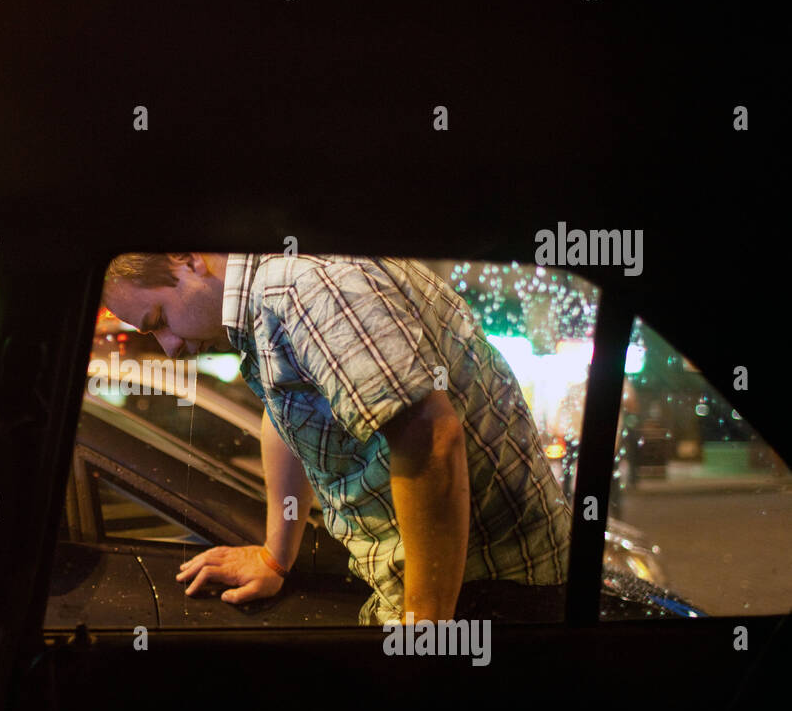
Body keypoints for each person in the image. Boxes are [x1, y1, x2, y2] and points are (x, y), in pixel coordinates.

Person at [101, 253, 572, 625]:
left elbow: (428, 436)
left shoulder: (308, 287)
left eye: (159, 318)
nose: (169, 345)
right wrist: (274, 557)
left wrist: (424, 632)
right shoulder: (268, 297)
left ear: (188, 259)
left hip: (490, 594)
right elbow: (286, 410)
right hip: (463, 588)